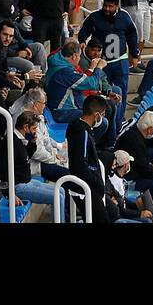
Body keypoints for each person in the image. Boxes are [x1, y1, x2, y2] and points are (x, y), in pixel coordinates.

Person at [64, 93, 108, 222]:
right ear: (96, 115)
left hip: (84, 185)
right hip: (85, 188)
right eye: (103, 114)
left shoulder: (76, 125)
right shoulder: (82, 132)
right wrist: (95, 179)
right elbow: (81, 163)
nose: (103, 118)